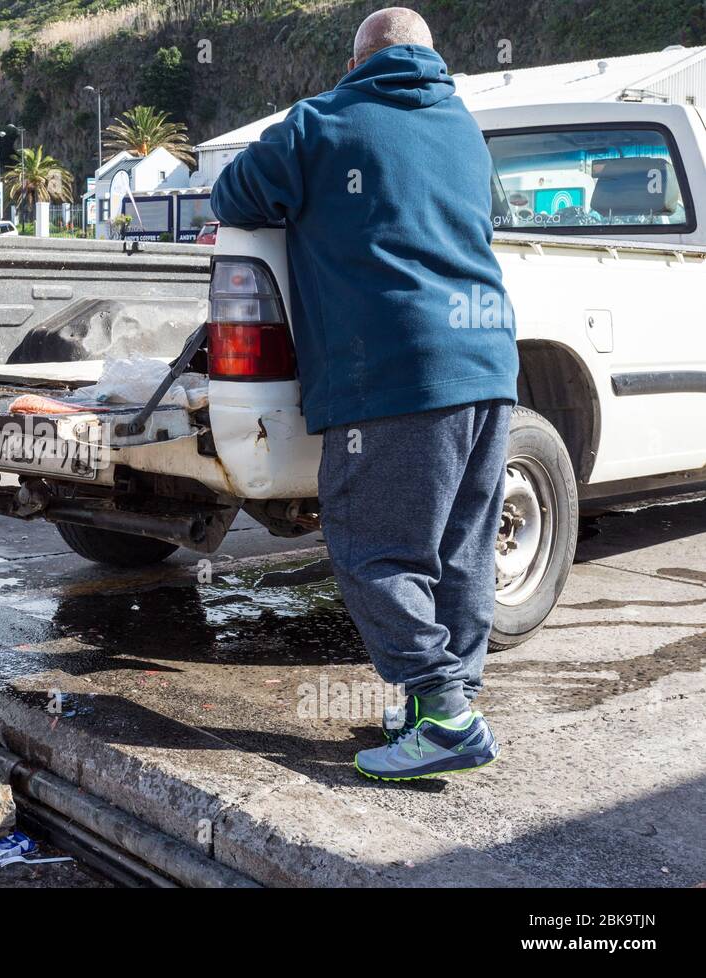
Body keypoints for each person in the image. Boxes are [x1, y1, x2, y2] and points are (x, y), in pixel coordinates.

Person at [210, 7, 519, 780]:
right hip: (489, 364)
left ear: (356, 65)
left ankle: (442, 714)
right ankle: (445, 704)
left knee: (372, 549)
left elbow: (234, 196)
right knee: (461, 550)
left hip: (394, 372)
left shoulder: (324, 121)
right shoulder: (464, 129)